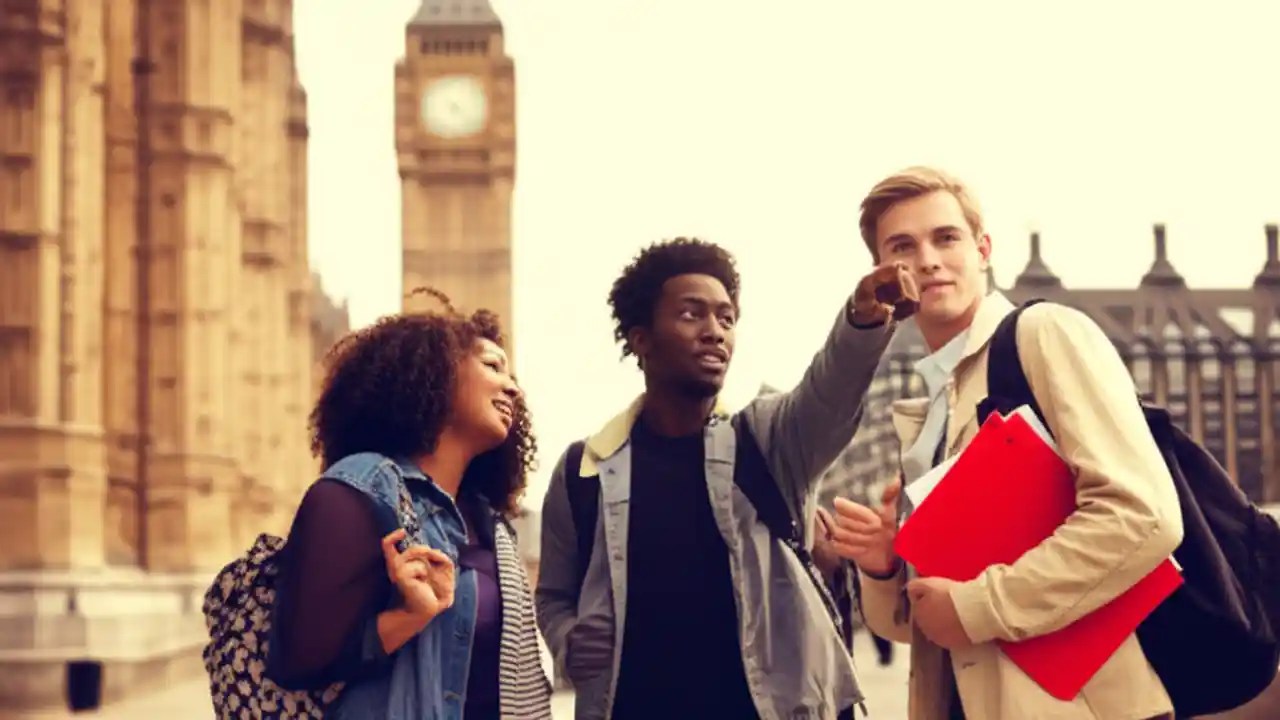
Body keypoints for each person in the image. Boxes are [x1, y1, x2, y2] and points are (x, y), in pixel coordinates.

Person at [829, 167, 1183, 719]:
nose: (926, 259)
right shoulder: (929, 415)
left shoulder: (1044, 334)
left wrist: (976, 605)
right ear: (884, 274)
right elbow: (920, 627)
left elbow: (1142, 516)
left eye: (946, 237)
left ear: (984, 249)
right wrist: (884, 570)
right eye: (903, 247)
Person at [535, 237, 910, 719]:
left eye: (726, 318)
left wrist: (861, 321)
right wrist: (568, 638)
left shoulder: (767, 443)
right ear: (641, 337)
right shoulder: (582, 471)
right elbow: (553, 595)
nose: (715, 331)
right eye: (692, 314)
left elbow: (829, 393)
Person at [265, 291, 553, 719]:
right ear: (437, 372)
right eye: (493, 366)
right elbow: (297, 661)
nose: (513, 387)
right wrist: (407, 616)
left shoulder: (487, 521)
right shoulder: (355, 492)